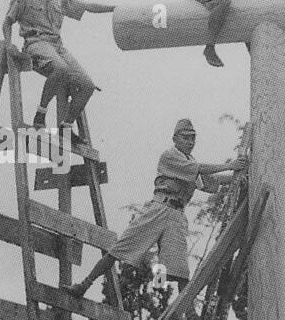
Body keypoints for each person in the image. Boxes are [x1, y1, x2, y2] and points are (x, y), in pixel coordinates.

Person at [66, 119, 244, 300]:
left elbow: (209, 181)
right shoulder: (170, 156)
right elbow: (199, 169)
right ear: (175, 138)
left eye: (193, 138)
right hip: (159, 209)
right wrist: (230, 165)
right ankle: (84, 285)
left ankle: (188, 314)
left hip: (176, 215)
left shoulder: (190, 162)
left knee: (180, 268)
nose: (190, 142)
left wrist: (237, 176)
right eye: (185, 138)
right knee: (120, 249)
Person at [3, 0, 114, 142]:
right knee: (61, 69)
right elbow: (7, 22)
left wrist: (114, 9)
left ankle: (66, 127)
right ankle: (41, 113)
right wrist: (8, 44)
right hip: (35, 42)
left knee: (87, 86)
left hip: (57, 45)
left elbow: (87, 6)